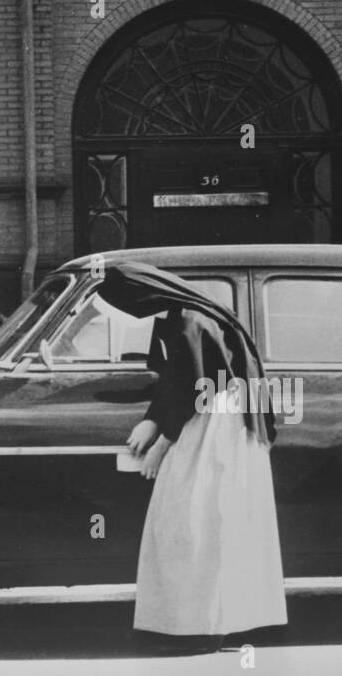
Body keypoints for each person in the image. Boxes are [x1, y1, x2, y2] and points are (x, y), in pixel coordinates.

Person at [98, 263, 288, 655]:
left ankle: (204, 625)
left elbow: (191, 388)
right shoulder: (181, 314)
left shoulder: (189, 320)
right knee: (208, 522)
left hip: (216, 424)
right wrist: (152, 421)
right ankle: (203, 621)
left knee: (197, 518)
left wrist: (162, 444)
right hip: (213, 417)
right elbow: (177, 379)